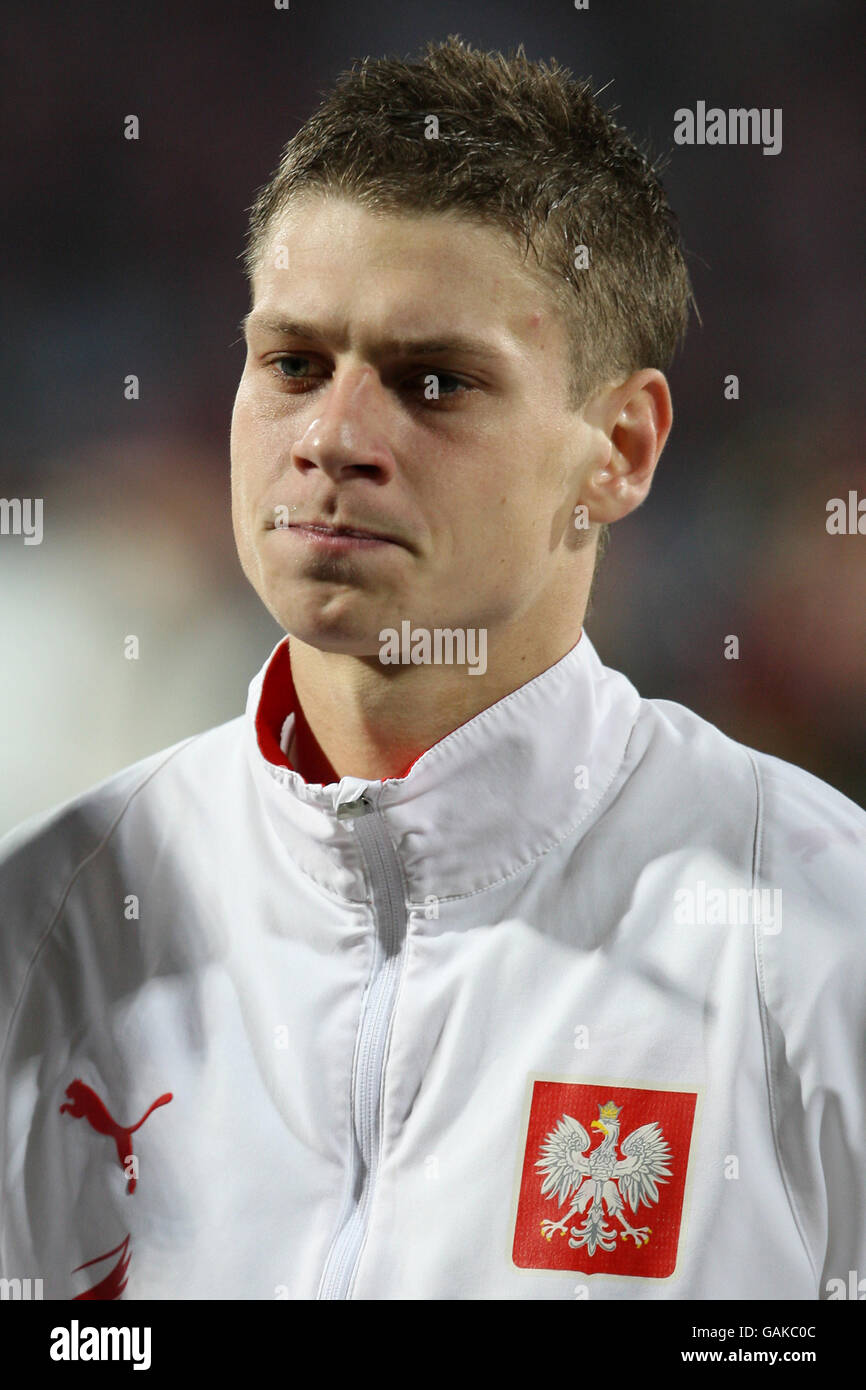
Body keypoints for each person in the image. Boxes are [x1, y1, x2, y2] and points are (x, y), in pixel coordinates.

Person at [1, 35, 864, 1302]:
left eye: (432, 382)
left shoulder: (815, 934)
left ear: (618, 448)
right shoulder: (48, 926)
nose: (333, 439)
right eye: (293, 364)